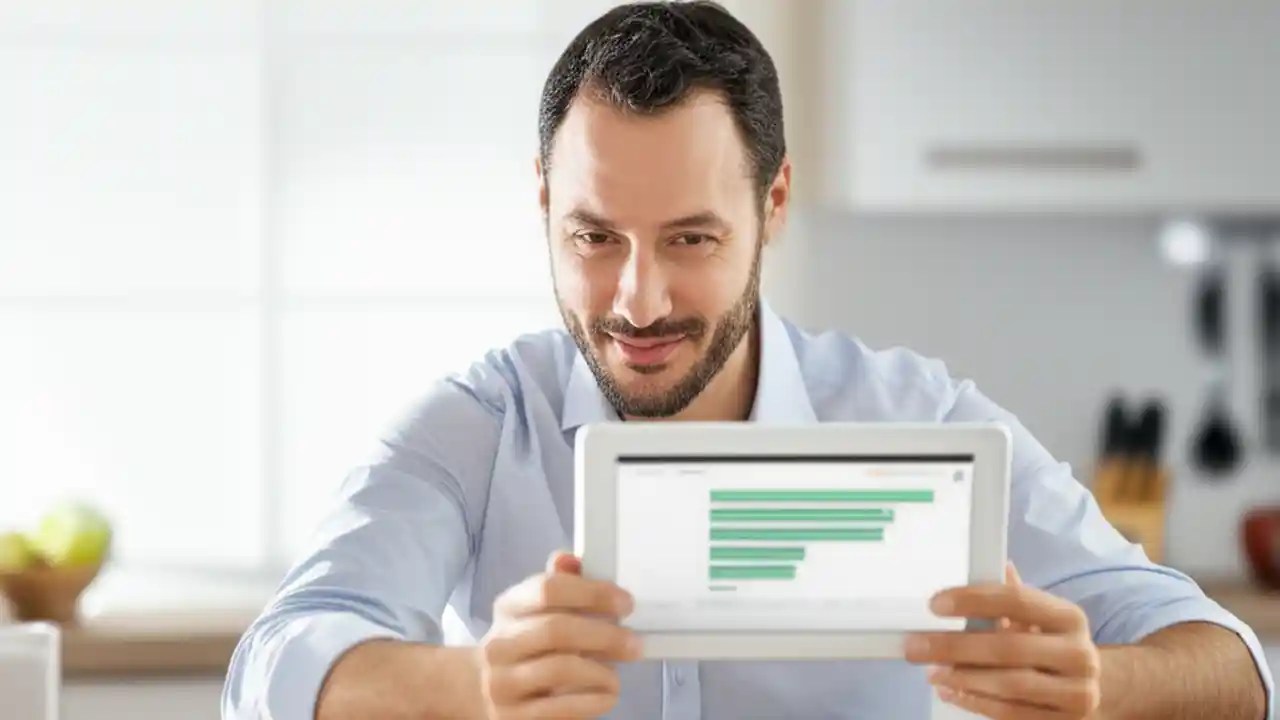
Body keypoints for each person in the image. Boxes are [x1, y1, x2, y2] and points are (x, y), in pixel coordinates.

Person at [223, 3, 1272, 718]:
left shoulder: (920, 422)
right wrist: (476, 685)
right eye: (594, 238)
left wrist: (1097, 680)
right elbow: (273, 664)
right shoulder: (478, 428)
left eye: (689, 239)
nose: (635, 301)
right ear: (542, 200)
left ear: (771, 202)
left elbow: (1235, 667)